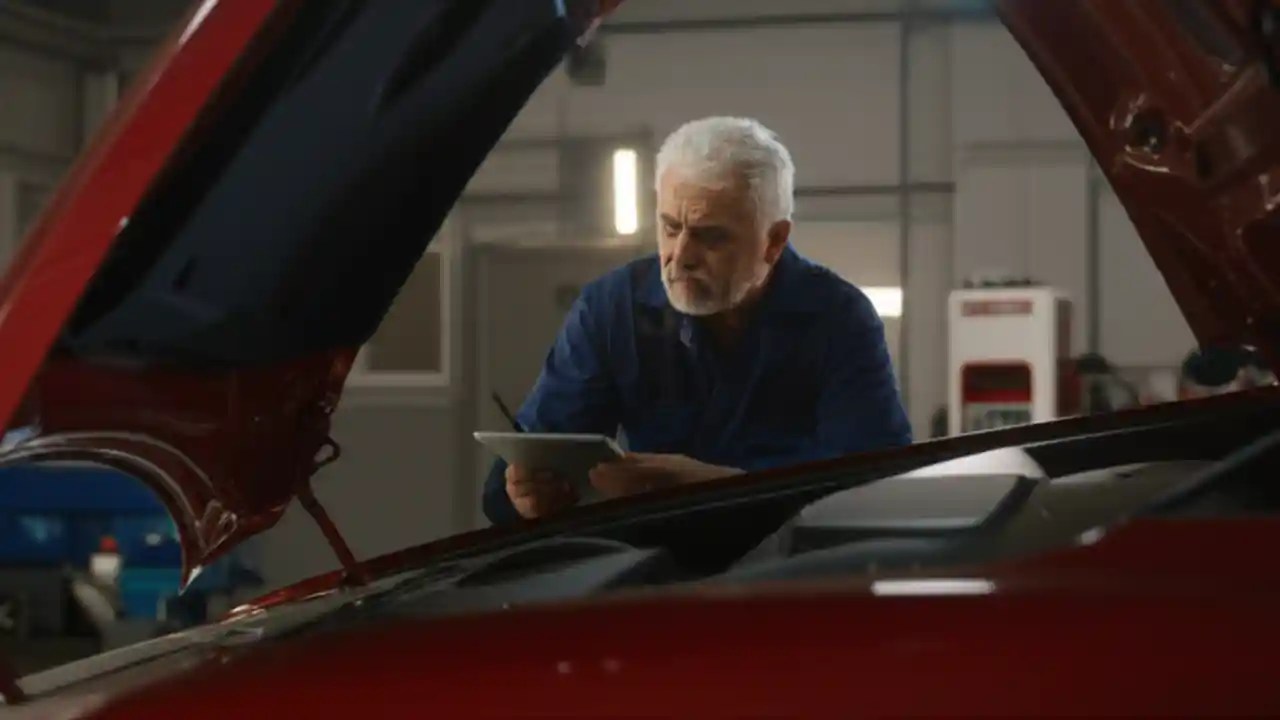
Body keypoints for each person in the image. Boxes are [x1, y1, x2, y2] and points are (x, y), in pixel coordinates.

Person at [483, 116, 912, 524]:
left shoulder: (838, 320)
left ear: (774, 241)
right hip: (650, 575)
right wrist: (526, 497)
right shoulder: (612, 311)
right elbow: (502, 493)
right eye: (670, 228)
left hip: (790, 578)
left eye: (711, 236)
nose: (681, 257)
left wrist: (702, 487)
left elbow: (874, 492)